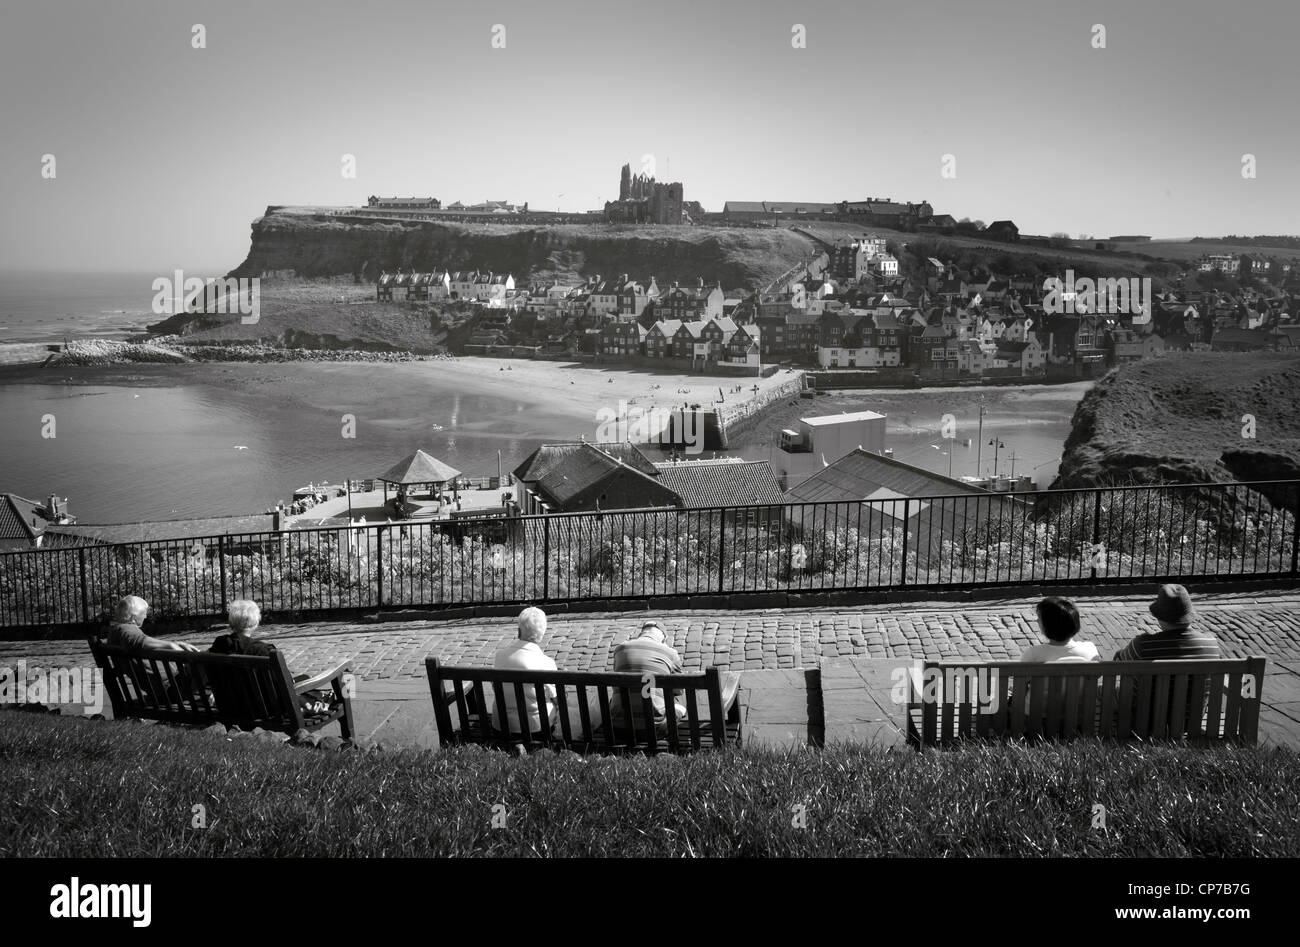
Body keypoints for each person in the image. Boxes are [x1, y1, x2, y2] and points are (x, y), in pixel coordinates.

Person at [209, 600, 337, 716]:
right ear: (255, 622)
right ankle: (315, 705)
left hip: (232, 705)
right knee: (300, 683)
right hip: (265, 709)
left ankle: (310, 704)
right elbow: (284, 685)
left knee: (304, 678)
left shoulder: (219, 645)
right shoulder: (264, 651)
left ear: (231, 622)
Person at [492, 606, 559, 737]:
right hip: (537, 728)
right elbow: (555, 698)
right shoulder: (546, 662)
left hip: (501, 726)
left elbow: (496, 688)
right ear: (542, 634)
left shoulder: (499, 656)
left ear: (519, 631)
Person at [610, 620, 686, 732]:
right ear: (664, 639)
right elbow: (678, 690)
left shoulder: (620, 649)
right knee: (679, 696)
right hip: (655, 728)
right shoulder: (670, 652)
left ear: (642, 633)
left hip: (618, 728)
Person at [1112, 584, 1221, 660]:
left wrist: (1119, 654)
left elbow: (1117, 666)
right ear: (1189, 615)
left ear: (1159, 617)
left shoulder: (1142, 645)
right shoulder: (1211, 645)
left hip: (1146, 694)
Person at [103, 595, 199, 654]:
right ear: (134, 616)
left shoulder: (115, 631)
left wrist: (174, 643)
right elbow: (138, 641)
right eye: (143, 613)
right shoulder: (126, 629)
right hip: (173, 682)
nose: (145, 617)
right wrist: (170, 645)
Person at [1019, 597, 1099, 663]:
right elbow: (1097, 675)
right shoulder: (1090, 648)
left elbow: (1021, 680)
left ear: (1047, 626)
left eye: (1039, 619)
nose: (1037, 621)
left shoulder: (1033, 654)